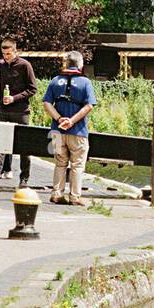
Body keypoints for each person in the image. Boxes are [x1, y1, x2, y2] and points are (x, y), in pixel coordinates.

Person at [42, 51, 98, 206]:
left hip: (57, 130)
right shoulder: (85, 82)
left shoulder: (55, 81)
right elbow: (89, 106)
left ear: (66, 64)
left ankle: (56, 194)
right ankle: (75, 196)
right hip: (78, 131)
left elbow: (46, 103)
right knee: (77, 164)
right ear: (80, 65)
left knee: (60, 163)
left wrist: (59, 119)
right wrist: (71, 121)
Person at [0, 36, 36, 188]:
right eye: (4, 54)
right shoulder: (1, 66)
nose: (6, 57)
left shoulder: (25, 66)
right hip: (3, 110)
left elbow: (32, 89)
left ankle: (24, 178)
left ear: (16, 52)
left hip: (20, 111)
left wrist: (15, 98)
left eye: (9, 54)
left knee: (24, 146)